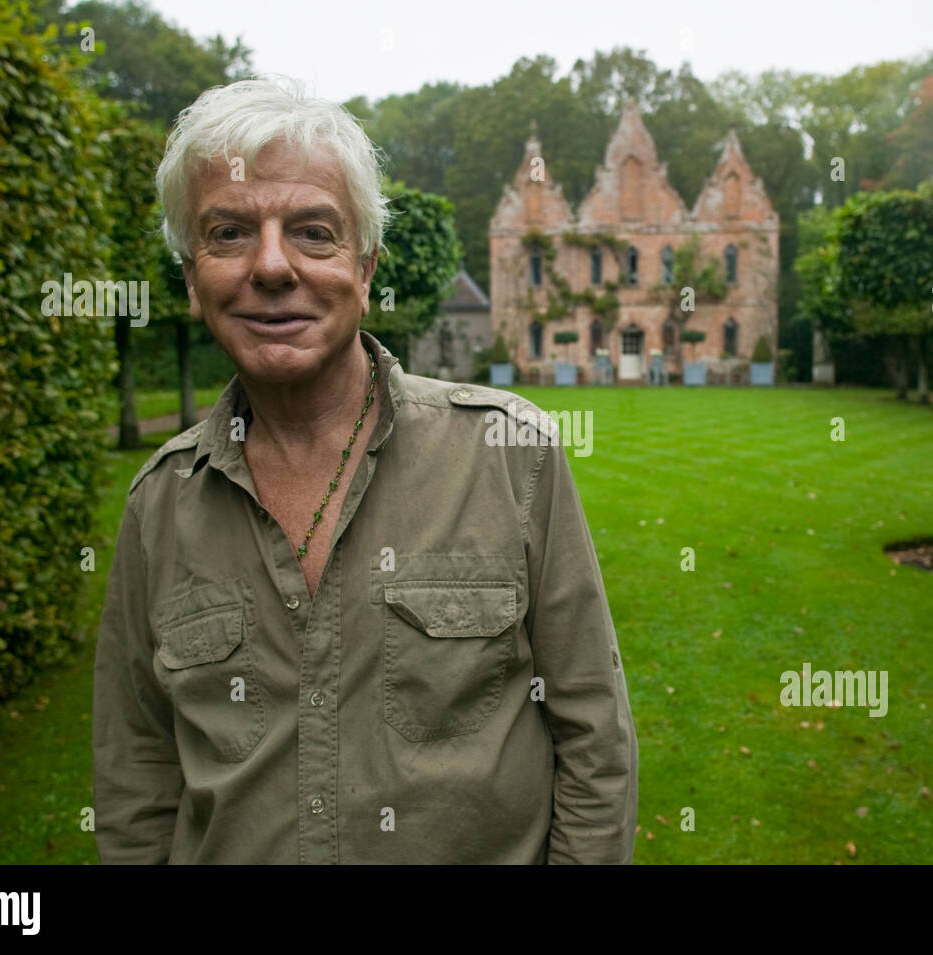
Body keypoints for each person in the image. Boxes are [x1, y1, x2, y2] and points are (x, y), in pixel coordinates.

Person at [92, 78, 637, 864]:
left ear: (366, 265)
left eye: (313, 231)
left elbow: (595, 743)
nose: (273, 266)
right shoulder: (157, 508)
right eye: (229, 232)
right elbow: (137, 782)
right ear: (190, 277)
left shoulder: (512, 456)